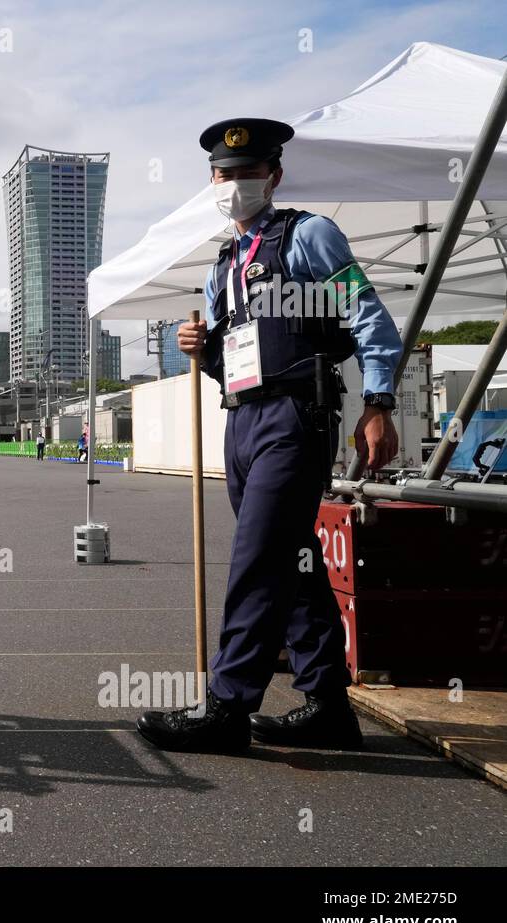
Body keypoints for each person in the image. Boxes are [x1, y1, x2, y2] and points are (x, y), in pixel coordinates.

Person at [136, 117, 401, 754]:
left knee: (258, 558)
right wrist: (202, 351)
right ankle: (329, 707)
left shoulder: (308, 235)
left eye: (247, 172)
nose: (234, 184)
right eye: (223, 176)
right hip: (242, 418)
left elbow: (366, 313)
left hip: (294, 418)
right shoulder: (223, 264)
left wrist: (379, 402)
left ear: (274, 175)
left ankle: (227, 708)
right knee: (296, 560)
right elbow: (235, 356)